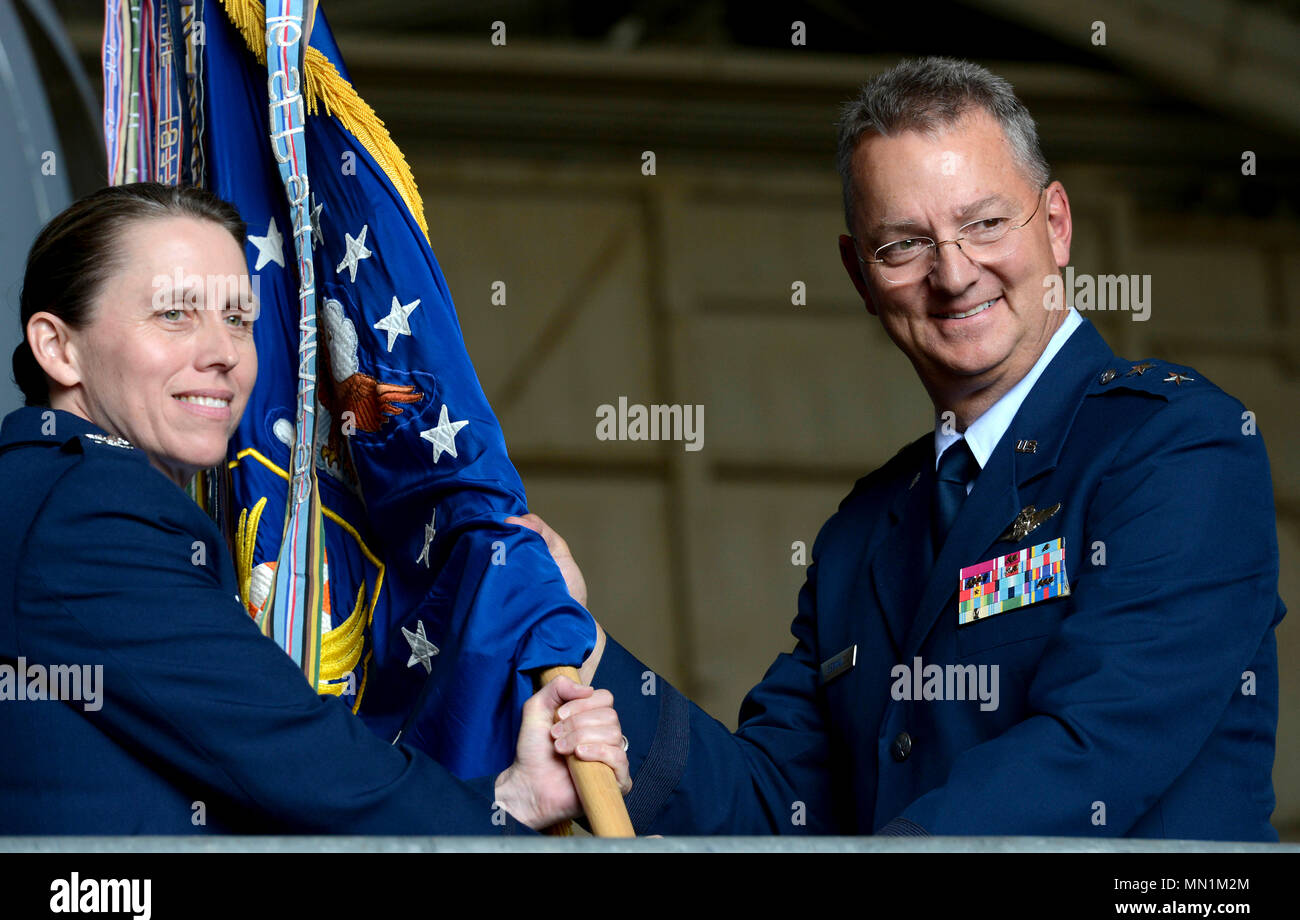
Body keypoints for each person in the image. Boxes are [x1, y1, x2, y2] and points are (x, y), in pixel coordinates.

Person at [513, 57, 1284, 839]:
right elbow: (774, 805)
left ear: (1055, 225)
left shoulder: (1176, 448)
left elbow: (1094, 750)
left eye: (985, 223)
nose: (953, 274)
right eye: (905, 245)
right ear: (859, 273)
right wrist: (583, 646)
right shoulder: (866, 531)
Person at [0, 182, 629, 835]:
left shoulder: (51, 487)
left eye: (238, 319)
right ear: (58, 348)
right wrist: (500, 814)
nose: (224, 353)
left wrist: (511, 796)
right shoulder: (83, 504)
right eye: (175, 315)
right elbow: (290, 758)